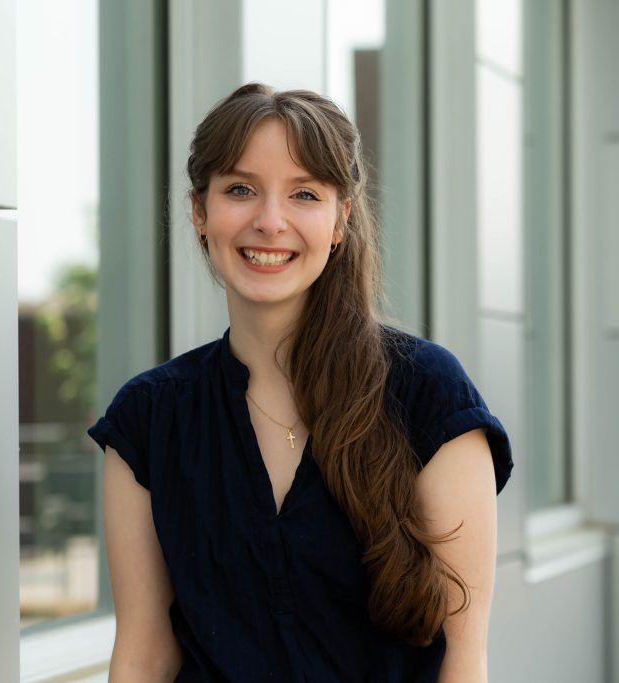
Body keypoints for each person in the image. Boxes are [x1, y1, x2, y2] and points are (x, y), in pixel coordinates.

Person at [87, 83, 513, 682]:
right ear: (200, 212)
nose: (269, 221)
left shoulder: (428, 394)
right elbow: (143, 655)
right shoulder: (148, 418)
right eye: (240, 190)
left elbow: (463, 663)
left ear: (340, 220)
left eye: (304, 194)